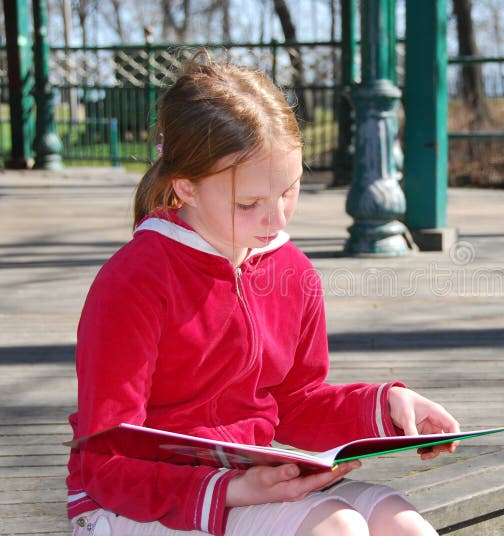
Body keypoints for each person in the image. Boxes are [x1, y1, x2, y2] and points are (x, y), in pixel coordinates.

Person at [66, 51, 460, 536]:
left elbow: (296, 403)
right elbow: (107, 462)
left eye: (289, 191)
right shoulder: (134, 282)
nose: (277, 220)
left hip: (250, 479)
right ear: (186, 187)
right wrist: (235, 491)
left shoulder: (292, 272)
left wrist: (385, 408)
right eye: (249, 203)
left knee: (400, 522)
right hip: (137, 501)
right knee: (338, 528)